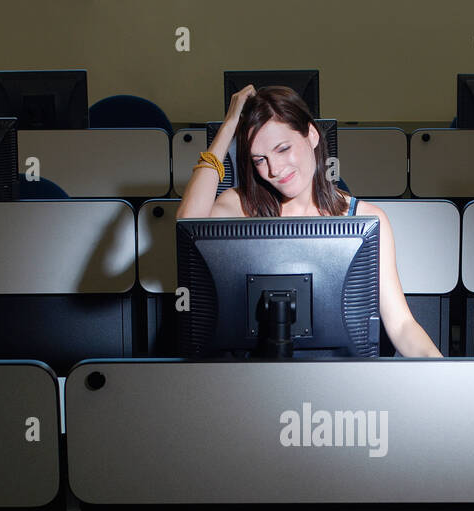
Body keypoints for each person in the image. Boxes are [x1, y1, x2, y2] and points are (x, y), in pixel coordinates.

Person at [177, 85, 444, 358]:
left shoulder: (366, 220)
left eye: (283, 149)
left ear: (312, 135)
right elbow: (188, 226)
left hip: (338, 388)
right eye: (260, 159)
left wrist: (446, 378)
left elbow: (401, 326)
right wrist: (229, 127)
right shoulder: (242, 206)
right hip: (253, 382)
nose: (275, 169)